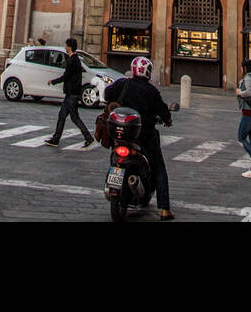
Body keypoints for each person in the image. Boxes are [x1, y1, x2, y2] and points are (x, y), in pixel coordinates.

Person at [104, 56, 174, 220]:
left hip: (122, 136)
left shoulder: (123, 83)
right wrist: (168, 120)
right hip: (146, 136)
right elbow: (164, 112)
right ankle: (164, 209)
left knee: (114, 156)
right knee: (158, 167)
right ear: (147, 72)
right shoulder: (151, 91)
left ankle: (114, 182)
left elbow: (107, 94)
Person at [44, 38, 94, 149]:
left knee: (75, 117)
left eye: (66, 45)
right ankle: (56, 139)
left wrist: (53, 81)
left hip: (72, 93)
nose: (65, 47)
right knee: (62, 115)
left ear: (69, 47)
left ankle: (88, 138)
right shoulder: (75, 59)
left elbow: (66, 76)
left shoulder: (72, 60)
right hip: (71, 93)